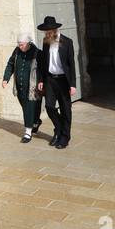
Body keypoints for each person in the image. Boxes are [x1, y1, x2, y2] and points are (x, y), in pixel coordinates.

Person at [36, 15, 76, 150]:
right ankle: (58, 129)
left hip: (63, 80)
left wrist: (73, 84)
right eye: (45, 32)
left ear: (54, 30)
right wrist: (41, 80)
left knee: (66, 109)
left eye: (48, 31)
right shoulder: (46, 42)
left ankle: (65, 137)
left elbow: (71, 64)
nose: (46, 34)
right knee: (49, 107)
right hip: (50, 80)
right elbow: (43, 63)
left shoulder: (67, 42)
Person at [2, 32, 42, 143]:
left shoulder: (37, 53)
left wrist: (41, 81)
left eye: (22, 44)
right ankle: (35, 121)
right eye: (19, 44)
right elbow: (10, 64)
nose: (20, 47)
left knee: (29, 107)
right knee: (26, 106)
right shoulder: (16, 51)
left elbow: (43, 69)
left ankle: (28, 133)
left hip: (32, 87)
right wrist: (6, 78)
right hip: (20, 87)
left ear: (28, 43)